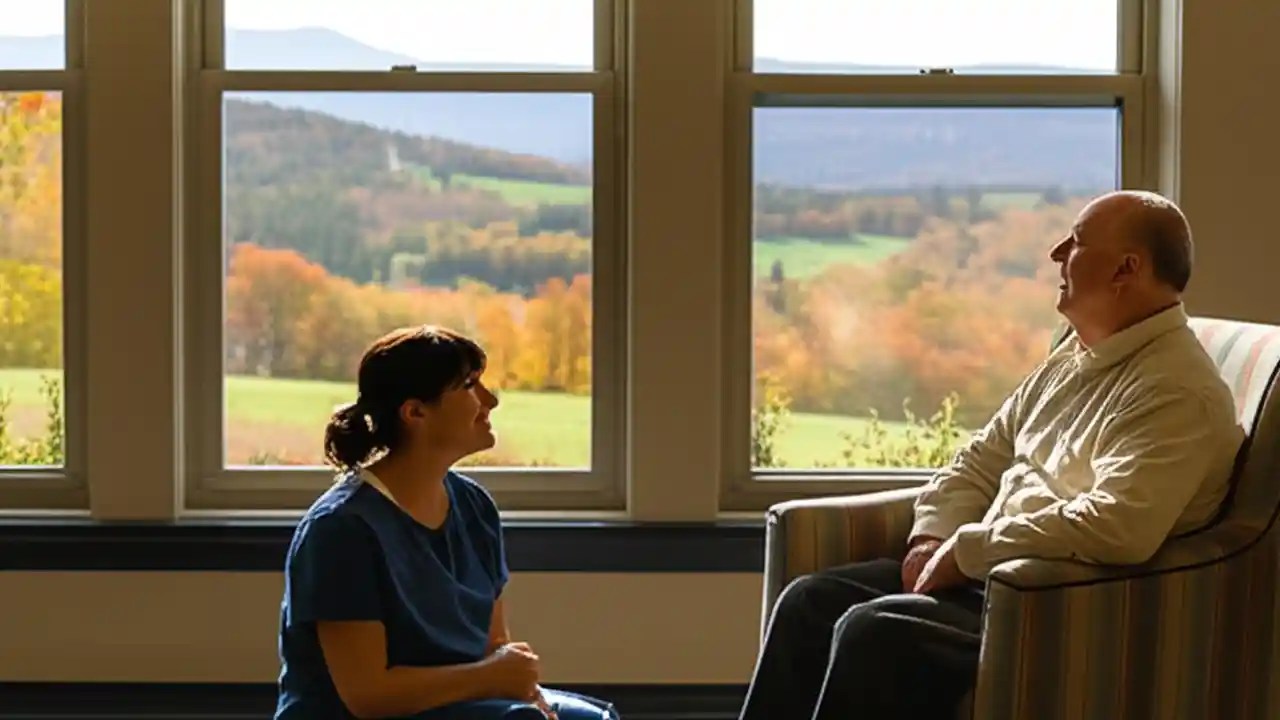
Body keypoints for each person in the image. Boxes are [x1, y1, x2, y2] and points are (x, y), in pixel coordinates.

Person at [738, 190, 1246, 720]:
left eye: (1077, 242)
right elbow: (982, 457)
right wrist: (932, 534)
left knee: (872, 632)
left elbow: (1119, 526)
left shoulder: (1177, 392)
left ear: (1126, 269)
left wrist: (966, 550)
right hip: (984, 581)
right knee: (808, 602)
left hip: (1051, 606)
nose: (1057, 252)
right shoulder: (1076, 355)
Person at [274, 325, 619, 720]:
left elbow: (492, 646)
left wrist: (520, 688)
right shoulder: (341, 529)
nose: (490, 400)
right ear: (415, 412)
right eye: (470, 385)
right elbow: (369, 695)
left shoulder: (474, 506)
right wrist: (495, 677)